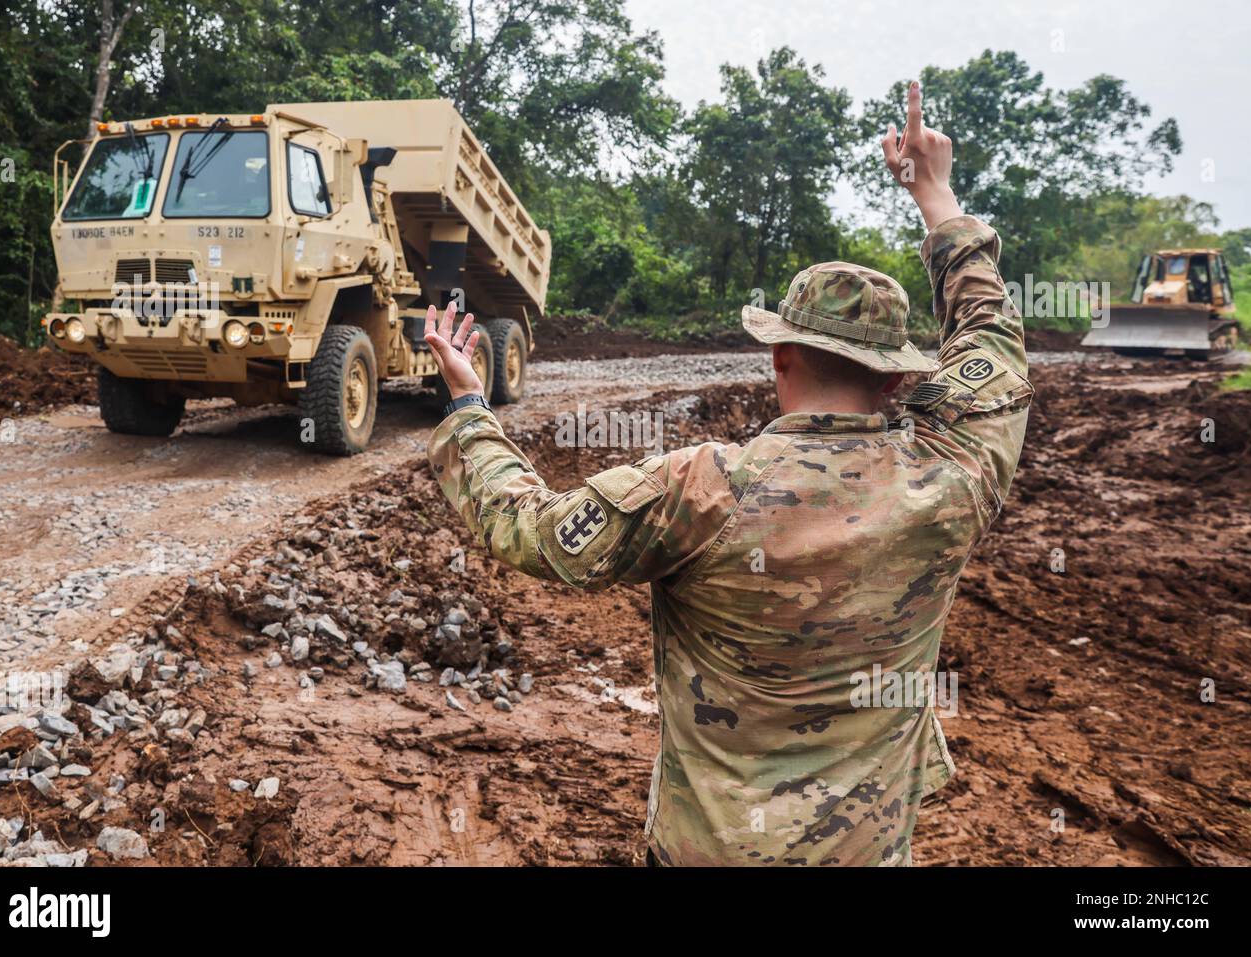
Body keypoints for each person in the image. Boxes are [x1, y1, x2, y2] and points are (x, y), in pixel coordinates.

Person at [424, 81, 1032, 866]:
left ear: (778, 357)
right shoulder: (953, 473)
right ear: (894, 378)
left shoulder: (701, 489)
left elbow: (529, 530)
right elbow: (993, 343)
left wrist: (470, 408)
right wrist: (935, 196)